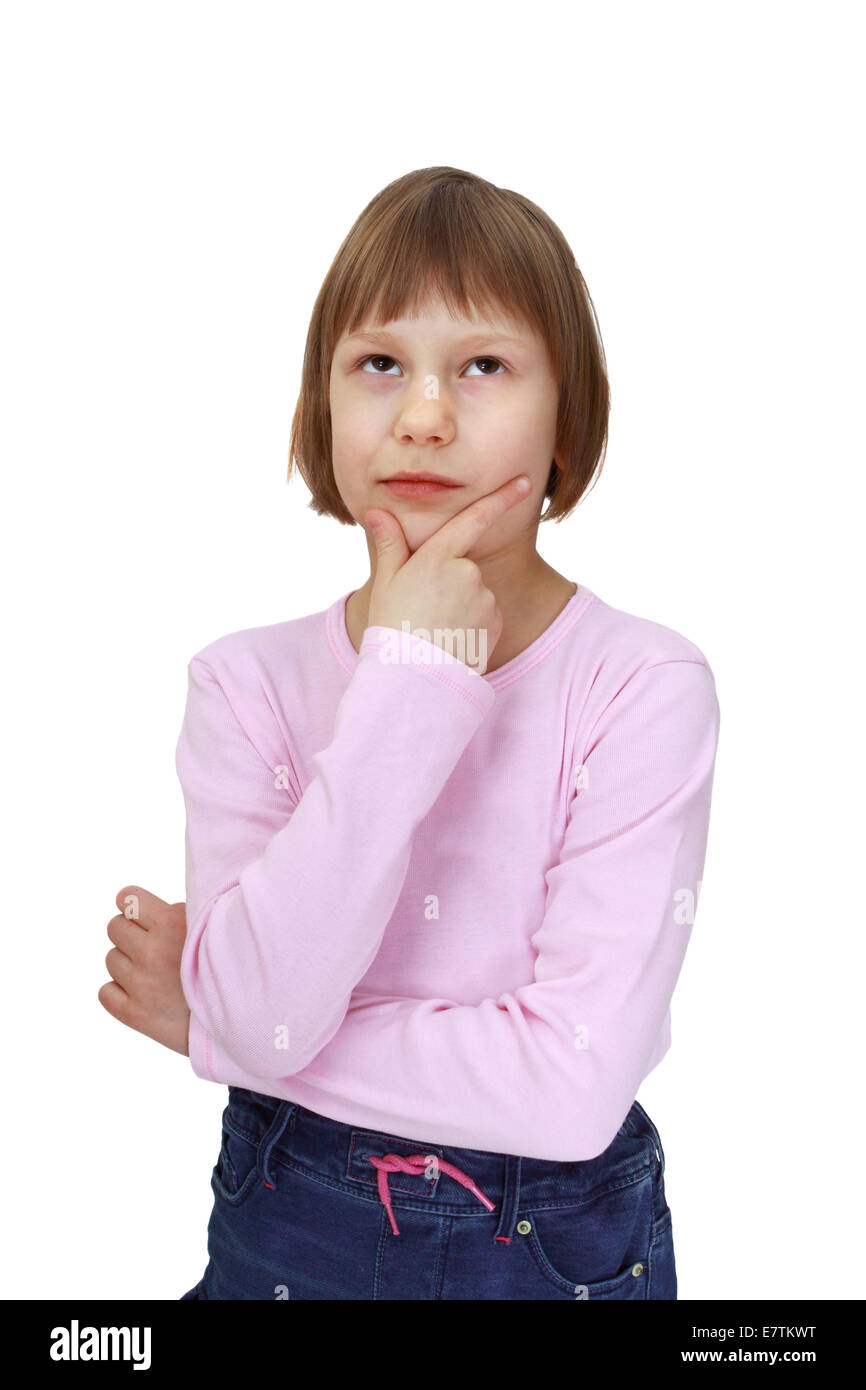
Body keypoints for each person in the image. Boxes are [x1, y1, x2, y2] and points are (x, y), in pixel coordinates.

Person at [99, 165, 720, 1300]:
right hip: (285, 1238)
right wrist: (409, 682)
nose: (424, 412)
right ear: (319, 408)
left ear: (566, 416)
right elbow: (262, 1009)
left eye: (481, 365)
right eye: (379, 363)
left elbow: (568, 1090)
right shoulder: (243, 684)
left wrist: (230, 1030)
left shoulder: (641, 685)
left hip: (550, 1253)